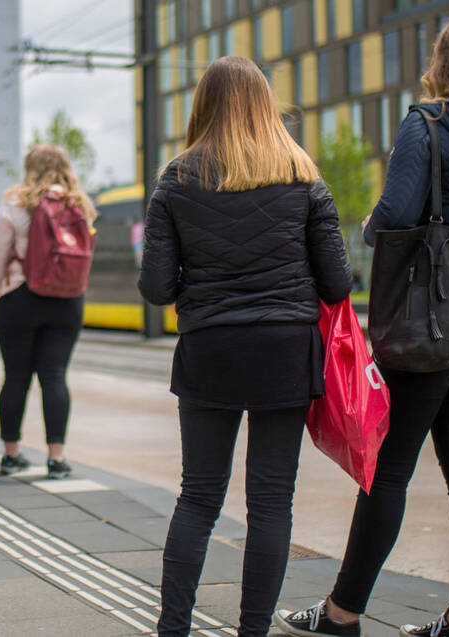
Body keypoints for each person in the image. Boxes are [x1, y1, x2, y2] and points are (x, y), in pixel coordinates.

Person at [276, 8, 449, 637]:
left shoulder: (427, 123)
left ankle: (341, 616)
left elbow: (393, 216)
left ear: (447, 60)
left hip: (435, 318)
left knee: (389, 469)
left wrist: (368, 226)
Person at [138, 56, 352, 636]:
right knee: (270, 502)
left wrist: (205, 286)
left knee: (199, 498)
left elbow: (156, 288)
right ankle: (252, 630)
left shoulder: (176, 179)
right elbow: (337, 281)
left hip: (210, 350)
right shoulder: (303, 174)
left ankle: (173, 628)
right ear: (266, 104)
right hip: (285, 350)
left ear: (203, 105)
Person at [0, 145, 96, 480]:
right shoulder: (80, 203)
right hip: (68, 300)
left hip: (21, 298)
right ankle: (56, 459)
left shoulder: (16, 202)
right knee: (55, 377)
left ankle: (11, 455)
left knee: (16, 377)